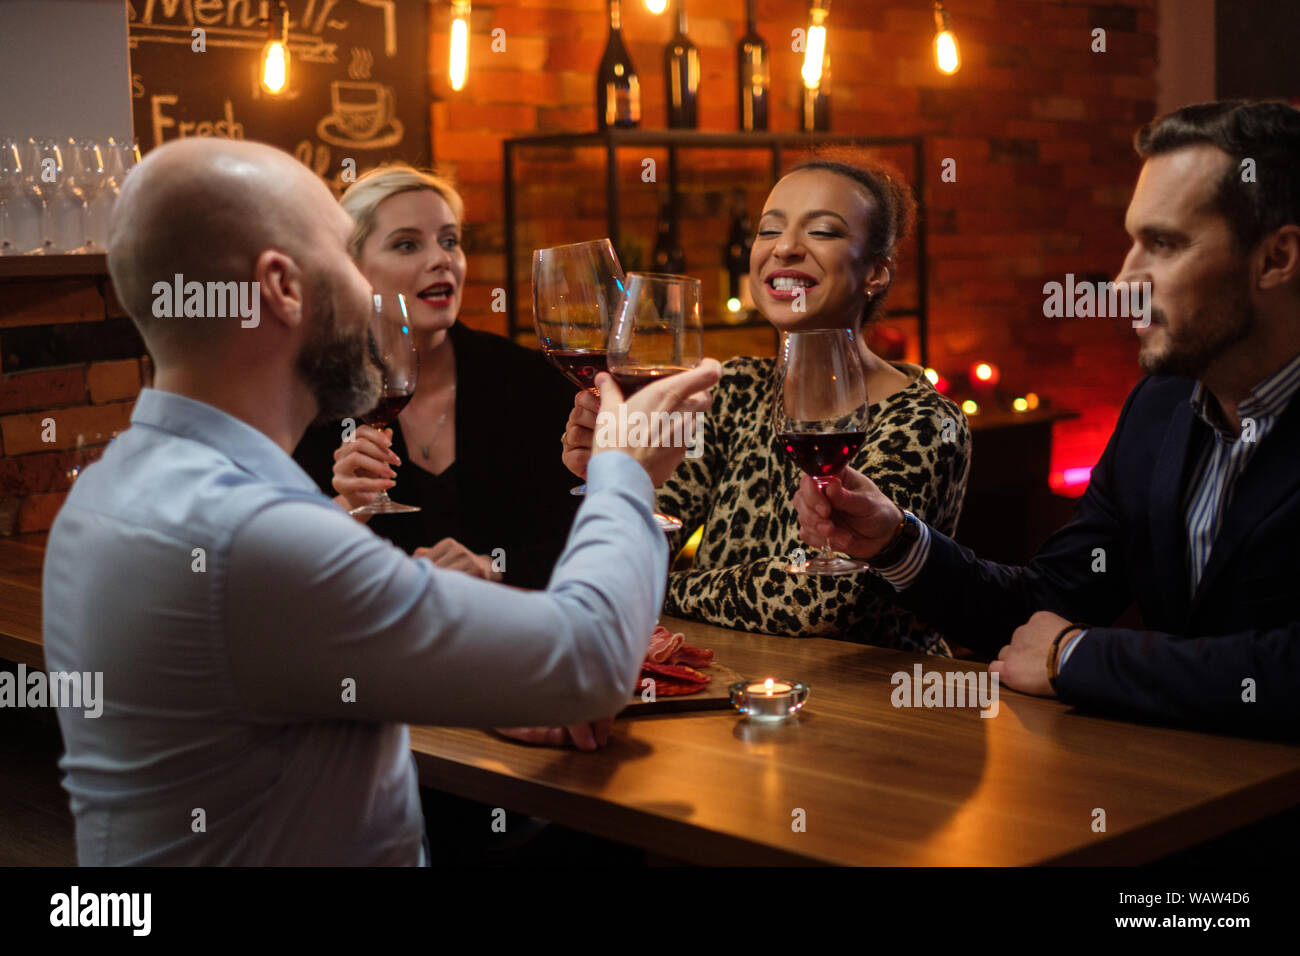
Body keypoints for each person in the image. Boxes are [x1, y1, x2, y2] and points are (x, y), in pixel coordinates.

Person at [41, 137, 721, 864]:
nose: (373, 299)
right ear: (281, 286)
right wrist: (625, 473)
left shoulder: (111, 488)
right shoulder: (252, 535)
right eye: (344, 252)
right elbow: (590, 660)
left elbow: (285, 687)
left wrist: (485, 689)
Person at [794, 100, 1300, 737]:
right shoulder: (1160, 407)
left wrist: (1078, 656)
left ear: (1276, 259)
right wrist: (896, 542)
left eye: (1164, 245)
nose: (1124, 281)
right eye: (1132, 242)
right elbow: (1043, 605)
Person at [562, 152, 970, 653]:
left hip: (879, 709)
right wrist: (616, 475)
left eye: (822, 231)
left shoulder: (925, 420)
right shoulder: (733, 389)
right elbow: (635, 554)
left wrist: (665, 594)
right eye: (769, 230)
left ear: (875, 273)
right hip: (729, 696)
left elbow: (819, 599)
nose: (786, 249)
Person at [293, 164, 580, 589]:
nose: (441, 259)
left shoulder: (531, 380)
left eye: (450, 241)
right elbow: (280, 575)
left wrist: (493, 568)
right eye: (407, 244)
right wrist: (351, 505)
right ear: (352, 267)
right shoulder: (309, 398)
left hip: (517, 639)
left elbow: (585, 543)